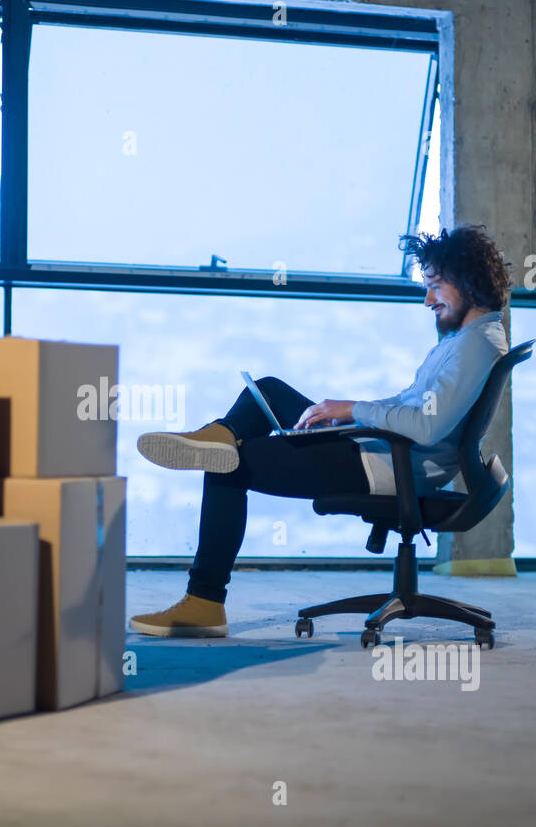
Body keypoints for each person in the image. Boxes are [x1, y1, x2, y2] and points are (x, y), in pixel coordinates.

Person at [129, 225, 512, 638]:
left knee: (228, 466)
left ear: (468, 282)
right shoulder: (467, 339)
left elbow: (428, 424)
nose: (427, 299)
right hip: (379, 452)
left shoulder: (476, 344)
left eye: (435, 286)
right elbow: (412, 403)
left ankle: (204, 603)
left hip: (384, 467)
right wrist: (347, 417)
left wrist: (353, 411)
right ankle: (218, 434)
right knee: (269, 390)